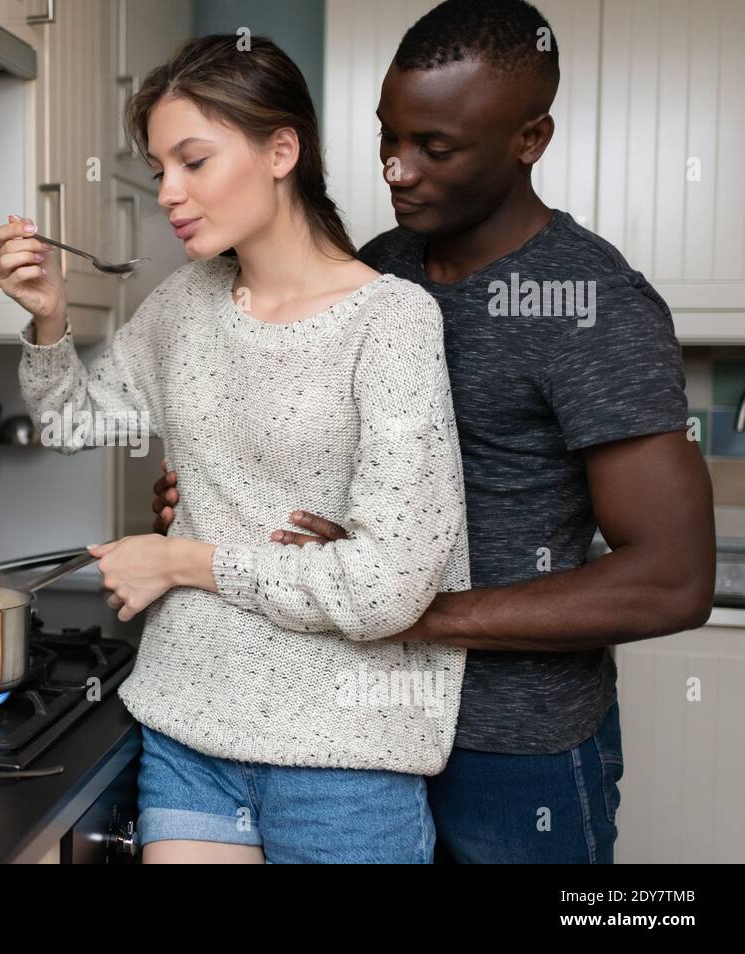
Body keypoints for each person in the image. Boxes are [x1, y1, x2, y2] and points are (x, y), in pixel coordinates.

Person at [153, 0, 715, 864]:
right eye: (388, 137)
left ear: (531, 138)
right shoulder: (377, 269)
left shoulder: (596, 308)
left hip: (512, 749)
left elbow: (671, 579)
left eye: (435, 148)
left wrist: (412, 613)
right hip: (355, 725)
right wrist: (217, 488)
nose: (397, 170)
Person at [0, 34, 471, 863]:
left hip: (344, 755)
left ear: (281, 150)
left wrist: (183, 562)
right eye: (159, 170)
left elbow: (386, 588)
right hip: (188, 730)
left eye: (194, 162)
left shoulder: (390, 322)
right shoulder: (184, 304)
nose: (168, 193)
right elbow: (75, 422)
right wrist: (47, 318)